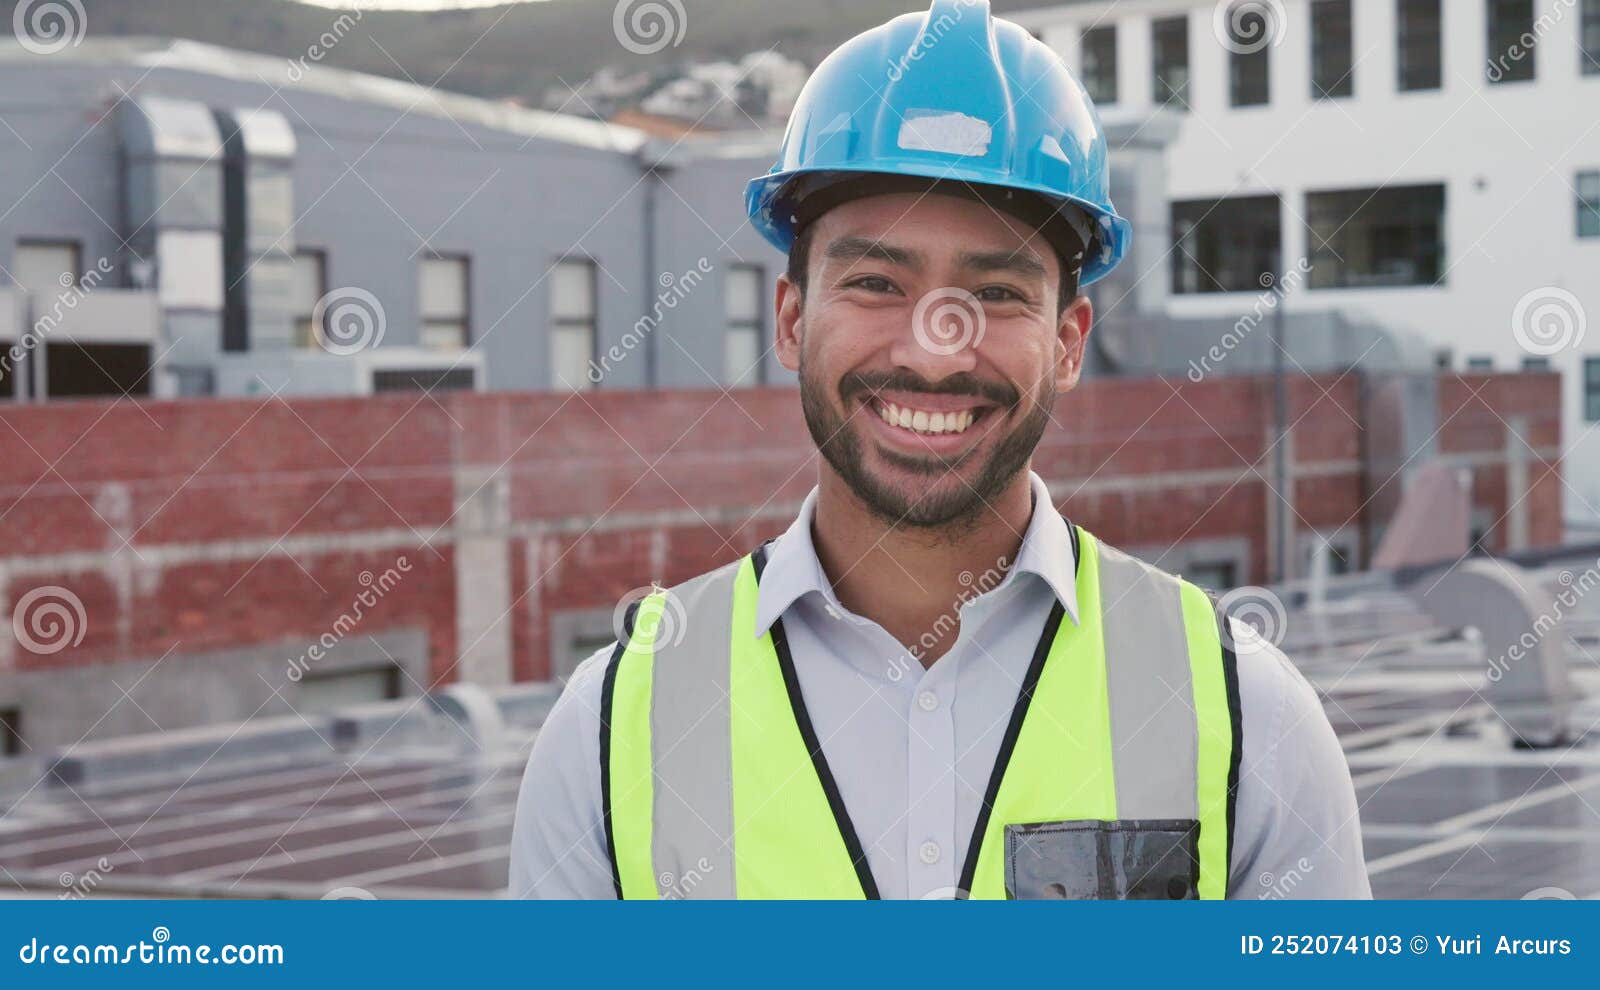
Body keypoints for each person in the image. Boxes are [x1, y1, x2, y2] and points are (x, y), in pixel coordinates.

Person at [510, 0, 1369, 900]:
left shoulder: (1245, 716)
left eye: (997, 292)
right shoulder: (611, 730)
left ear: (1069, 341)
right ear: (793, 320)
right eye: (877, 282)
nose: (932, 348)